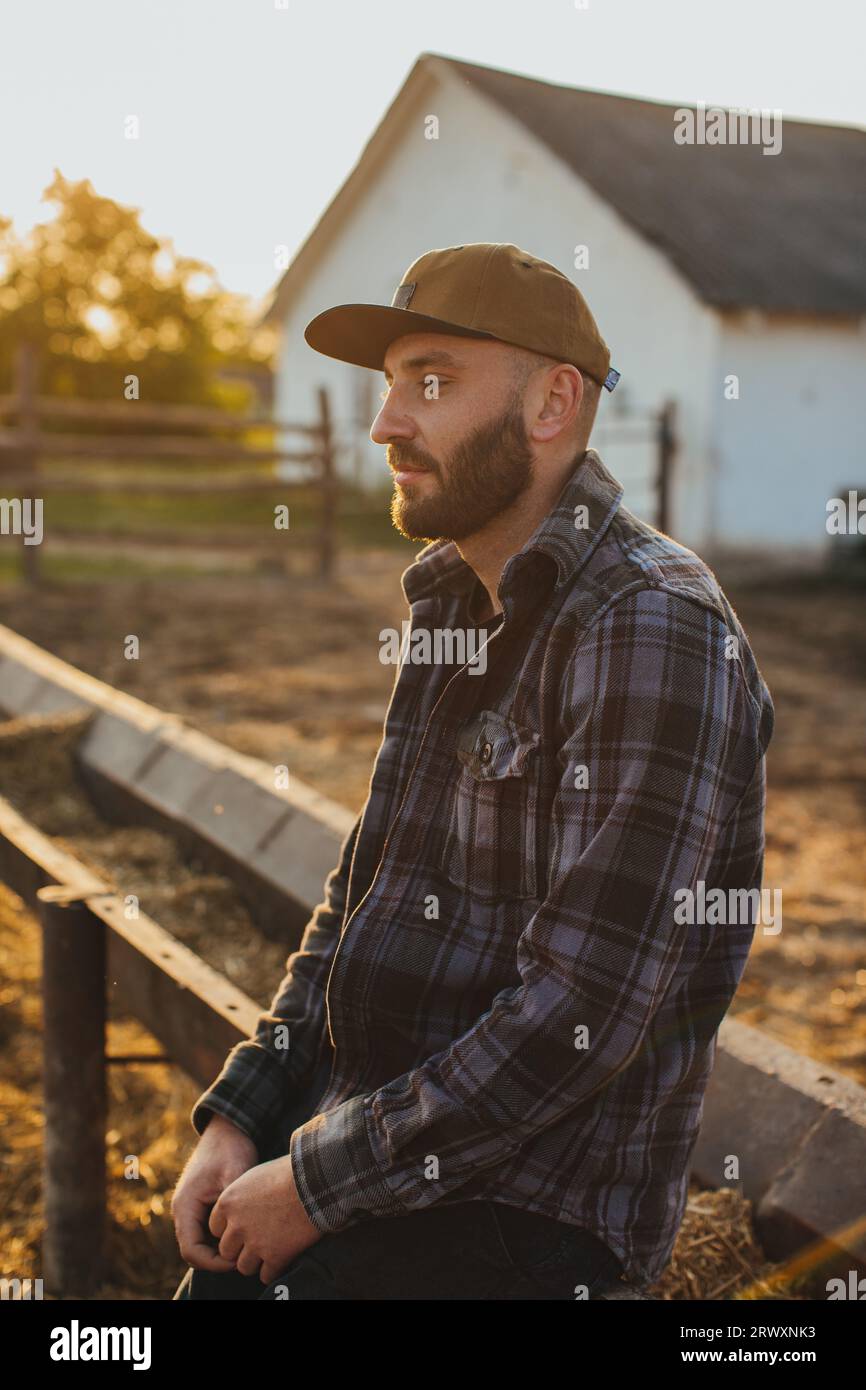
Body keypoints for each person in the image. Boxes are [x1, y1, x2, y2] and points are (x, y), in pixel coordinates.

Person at [171, 242, 774, 1300]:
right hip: (389, 1160)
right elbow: (357, 900)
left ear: (551, 404)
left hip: (534, 1220)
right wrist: (247, 1112)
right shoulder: (455, 602)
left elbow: (576, 1019)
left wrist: (311, 1183)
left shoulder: (651, 627)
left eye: (432, 382)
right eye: (391, 383)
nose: (384, 423)